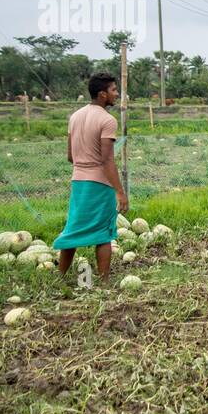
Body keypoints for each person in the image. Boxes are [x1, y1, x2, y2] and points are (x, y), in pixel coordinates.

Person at [54, 73, 128, 280]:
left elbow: (70, 156)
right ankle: (104, 280)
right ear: (102, 94)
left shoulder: (75, 116)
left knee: (74, 228)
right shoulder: (107, 120)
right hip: (100, 184)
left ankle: (60, 277)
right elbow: (106, 160)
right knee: (104, 233)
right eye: (114, 90)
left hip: (78, 180)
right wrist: (120, 192)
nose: (117, 94)